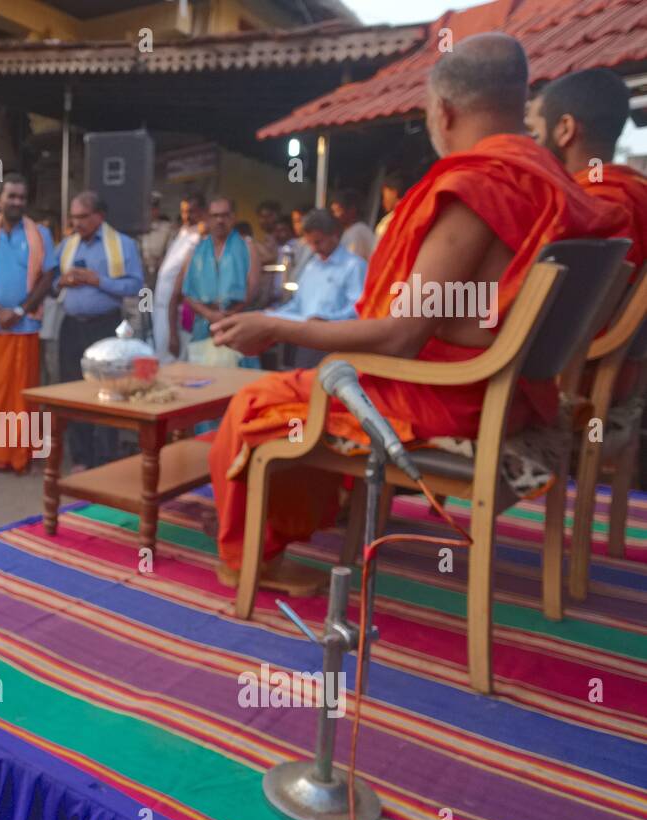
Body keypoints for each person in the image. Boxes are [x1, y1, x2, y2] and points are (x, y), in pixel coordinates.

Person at [202, 32, 629, 594]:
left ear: (444, 112)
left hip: (448, 399)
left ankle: (250, 557)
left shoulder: (477, 187)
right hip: (517, 397)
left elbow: (403, 336)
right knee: (300, 386)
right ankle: (307, 521)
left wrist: (278, 325)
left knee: (252, 405)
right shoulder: (555, 186)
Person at [0, 175, 57, 473]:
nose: (16, 202)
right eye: (11, 196)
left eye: (21, 197)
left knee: (22, 396)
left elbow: (47, 277)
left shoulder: (40, 234)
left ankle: (20, 456)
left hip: (25, 326)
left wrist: (19, 309)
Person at [527, 68, 647, 276]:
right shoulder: (631, 188)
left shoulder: (591, 206)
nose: (530, 148)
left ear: (565, 129)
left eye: (535, 134)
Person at [56, 190, 145, 469]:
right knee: (73, 389)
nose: (76, 223)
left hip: (106, 325)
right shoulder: (68, 245)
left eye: (82, 217)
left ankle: (105, 457)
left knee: (108, 388)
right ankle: (80, 456)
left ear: (99, 216)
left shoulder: (122, 244)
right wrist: (62, 283)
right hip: (72, 326)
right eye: (73, 217)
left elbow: (135, 286)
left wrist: (99, 281)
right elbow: (48, 283)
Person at [258, 209, 367, 369]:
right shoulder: (311, 266)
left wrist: (326, 320)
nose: (314, 248)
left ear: (335, 235)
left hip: (337, 346)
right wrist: (271, 315)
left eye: (318, 242)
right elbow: (298, 306)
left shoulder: (354, 266)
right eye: (310, 243)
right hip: (306, 345)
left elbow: (359, 309)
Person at [171, 197, 261, 369]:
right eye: (215, 216)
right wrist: (210, 315)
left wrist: (227, 316)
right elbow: (187, 292)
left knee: (239, 381)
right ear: (207, 218)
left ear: (233, 217)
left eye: (225, 215)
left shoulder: (247, 247)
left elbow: (252, 289)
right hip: (204, 325)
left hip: (236, 322)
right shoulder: (196, 251)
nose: (220, 220)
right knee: (203, 381)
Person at [154, 191, 206, 362]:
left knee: (176, 356)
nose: (186, 216)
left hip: (181, 308)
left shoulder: (202, 238)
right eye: (184, 211)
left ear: (202, 212)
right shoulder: (183, 232)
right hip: (161, 305)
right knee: (162, 354)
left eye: (191, 211)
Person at [140, 191, 176, 292]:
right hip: (141, 275)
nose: (151, 211)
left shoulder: (167, 229)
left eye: (154, 208)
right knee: (143, 305)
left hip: (159, 274)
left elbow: (172, 252)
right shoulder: (137, 228)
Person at [329, 187, 377, 261]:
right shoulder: (350, 230)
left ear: (352, 210)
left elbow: (351, 262)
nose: (335, 215)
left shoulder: (358, 231)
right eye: (333, 211)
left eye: (338, 210)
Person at [375, 173, 408, 242]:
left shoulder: (390, 222)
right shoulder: (413, 215)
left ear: (394, 193)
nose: (383, 201)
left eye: (384, 195)